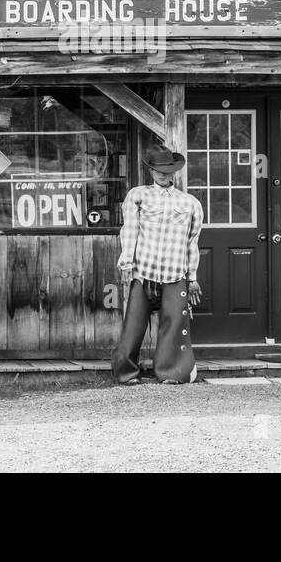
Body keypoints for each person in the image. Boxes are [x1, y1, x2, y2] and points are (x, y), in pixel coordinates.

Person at [111, 145, 203, 385]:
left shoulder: (189, 203)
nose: (164, 175)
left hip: (175, 271)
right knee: (134, 322)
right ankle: (126, 372)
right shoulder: (138, 195)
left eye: (168, 170)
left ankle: (172, 372)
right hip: (144, 270)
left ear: (174, 172)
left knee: (173, 322)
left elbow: (192, 241)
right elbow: (130, 230)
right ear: (151, 170)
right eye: (159, 170)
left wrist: (192, 277)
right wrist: (127, 263)